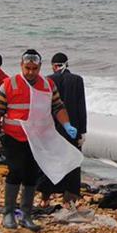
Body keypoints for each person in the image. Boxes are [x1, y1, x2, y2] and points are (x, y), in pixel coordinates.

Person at [0, 50, 77, 231]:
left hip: (37, 139)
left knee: (31, 175)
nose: (30, 72)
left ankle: (26, 215)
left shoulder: (48, 85)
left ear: (40, 67)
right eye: (27, 68)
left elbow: (58, 106)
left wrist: (67, 125)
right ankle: (8, 213)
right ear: (21, 65)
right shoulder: (9, 84)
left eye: (34, 69)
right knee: (16, 171)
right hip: (14, 137)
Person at [42, 52, 87, 207]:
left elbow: (44, 106)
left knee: (50, 161)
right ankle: (69, 199)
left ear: (53, 66)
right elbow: (81, 107)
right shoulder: (77, 80)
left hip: (52, 128)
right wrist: (82, 131)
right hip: (72, 129)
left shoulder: (48, 80)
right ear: (67, 64)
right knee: (72, 162)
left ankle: (45, 197)